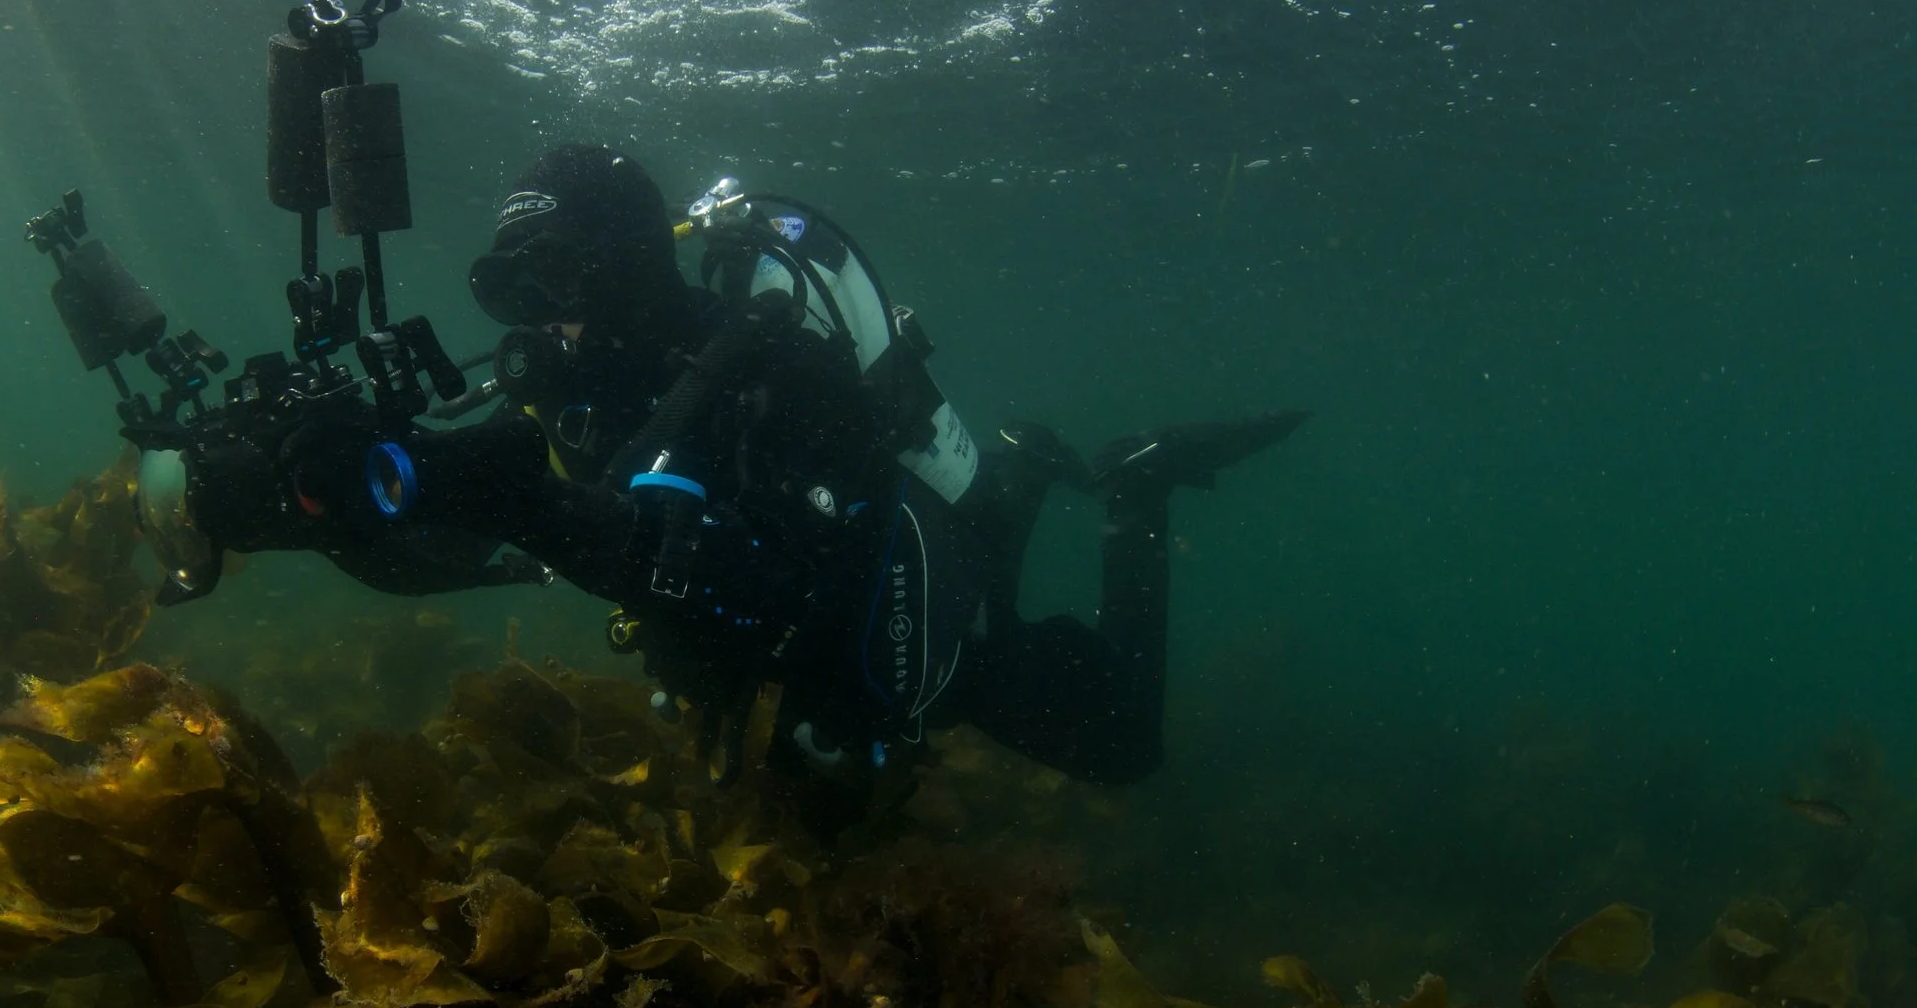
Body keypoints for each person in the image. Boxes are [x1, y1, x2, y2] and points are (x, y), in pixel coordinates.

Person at [211, 144, 1302, 786]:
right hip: (848, 601)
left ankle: (1137, 493)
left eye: (558, 277)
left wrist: (534, 506)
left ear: (629, 261)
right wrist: (330, 503)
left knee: (1120, 749)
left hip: (909, 624)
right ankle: (1016, 474)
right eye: (515, 289)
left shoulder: (774, 372)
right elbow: (486, 535)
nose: (546, 321)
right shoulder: (573, 387)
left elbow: (774, 589)